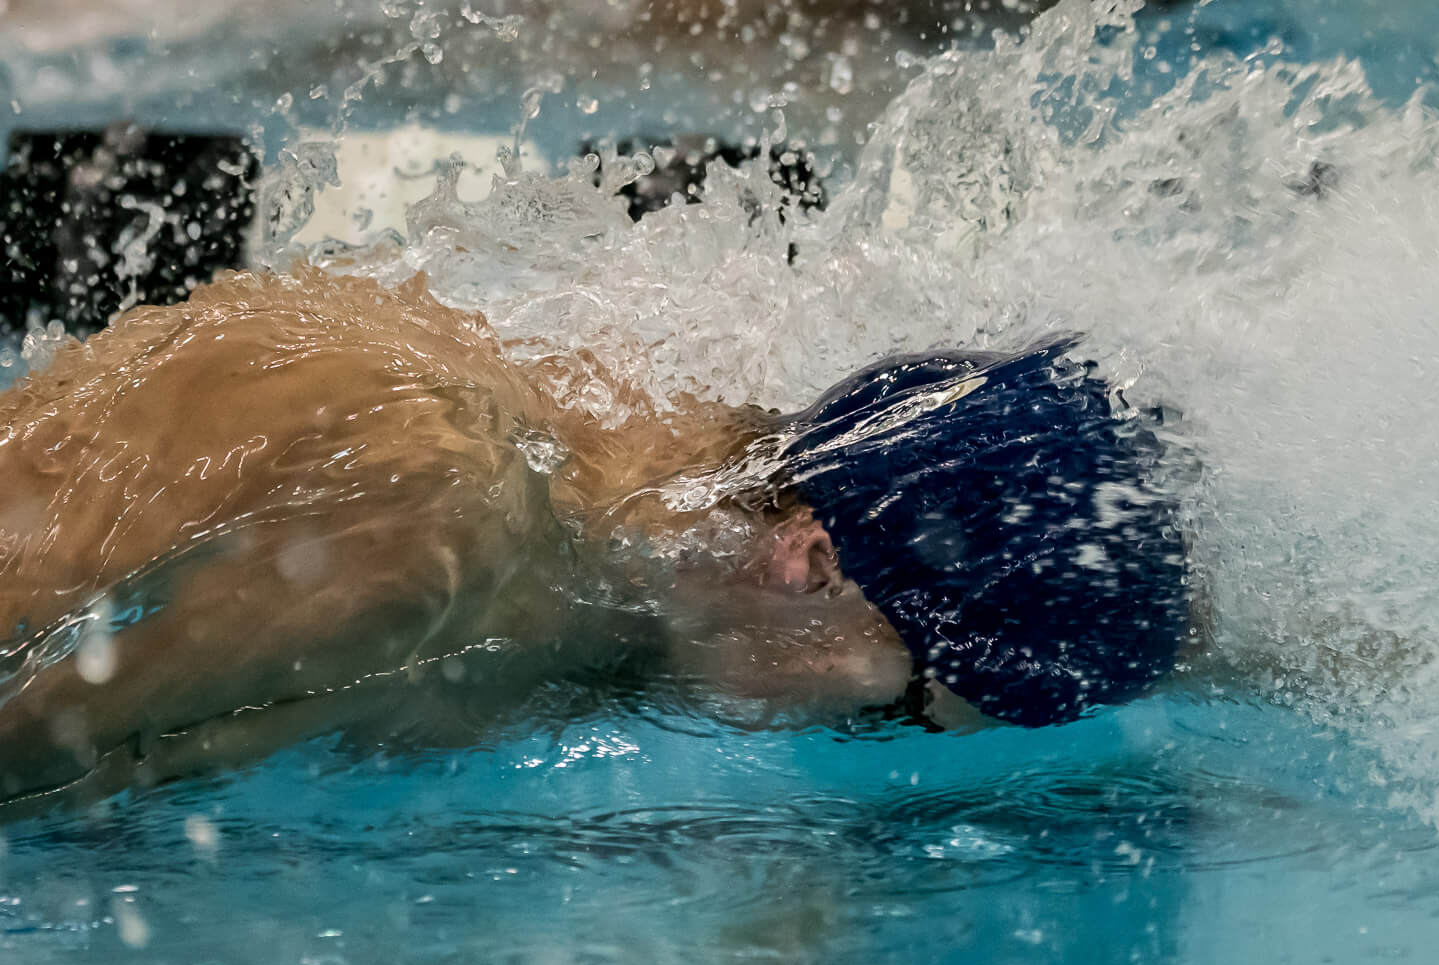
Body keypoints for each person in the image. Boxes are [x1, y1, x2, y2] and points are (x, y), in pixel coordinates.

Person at [0, 265, 1189, 807]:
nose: (865, 735)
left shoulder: (613, 571)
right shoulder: (430, 536)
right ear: (809, 558)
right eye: (898, 707)